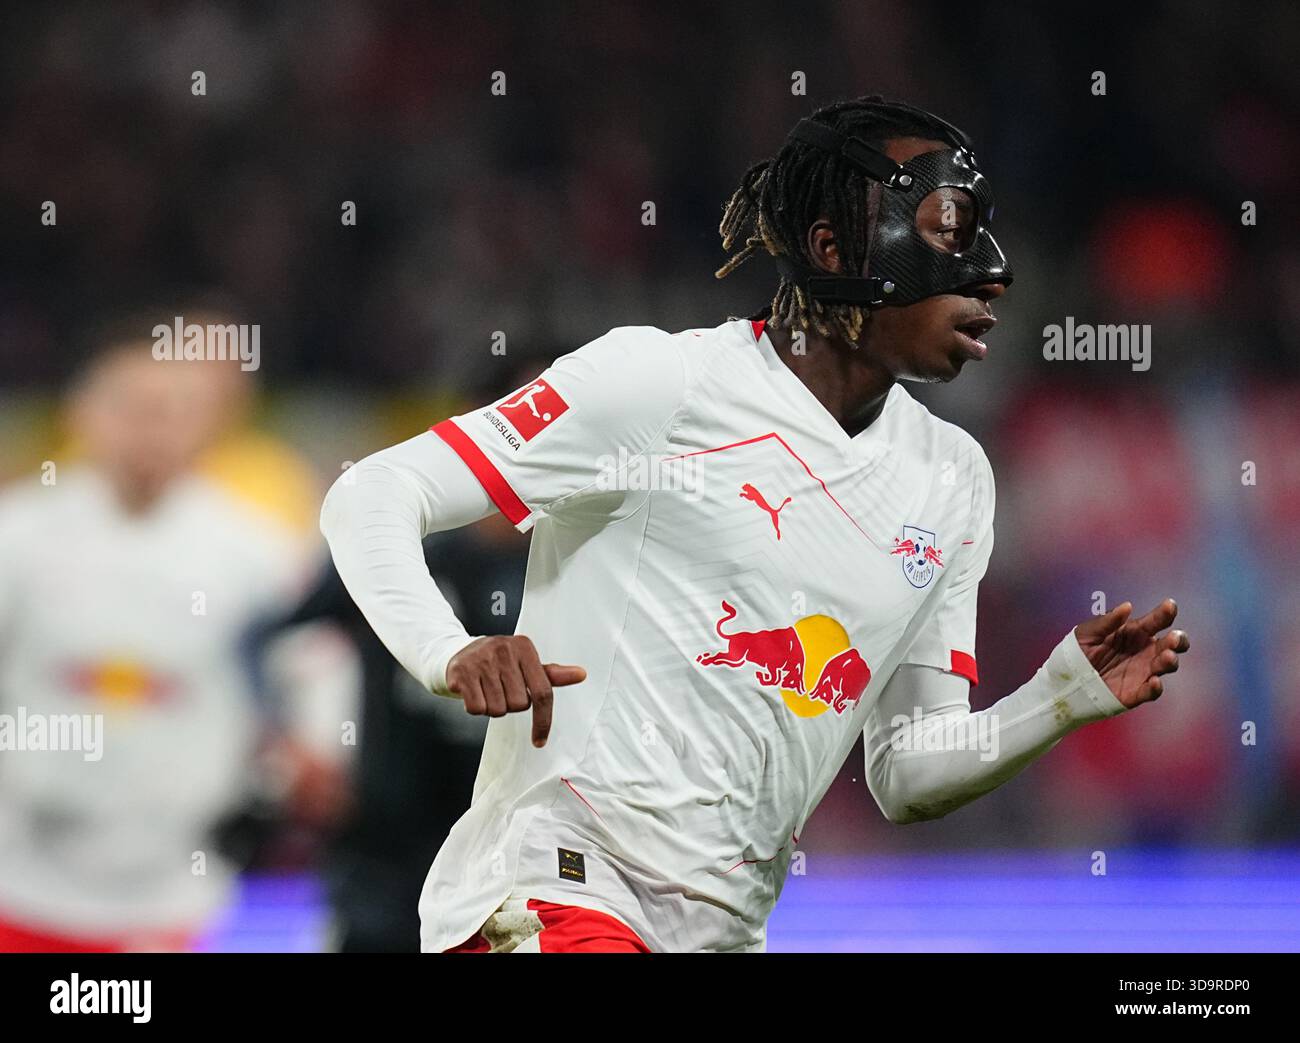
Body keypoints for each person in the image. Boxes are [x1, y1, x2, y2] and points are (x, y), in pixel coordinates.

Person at [319, 96, 1191, 953]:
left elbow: (906, 772)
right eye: (947, 229)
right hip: (560, 890)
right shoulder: (659, 384)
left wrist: (1058, 698)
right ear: (832, 246)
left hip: (725, 929)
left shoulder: (953, 479)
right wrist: (452, 649)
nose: (992, 270)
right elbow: (372, 494)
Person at [0, 326, 315, 951]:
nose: (149, 430)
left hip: (178, 885)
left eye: (171, 412)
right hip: (22, 872)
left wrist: (305, 756)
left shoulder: (256, 554)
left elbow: (309, 674)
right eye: (129, 408)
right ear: (81, 413)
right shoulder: (18, 535)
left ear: (208, 425)